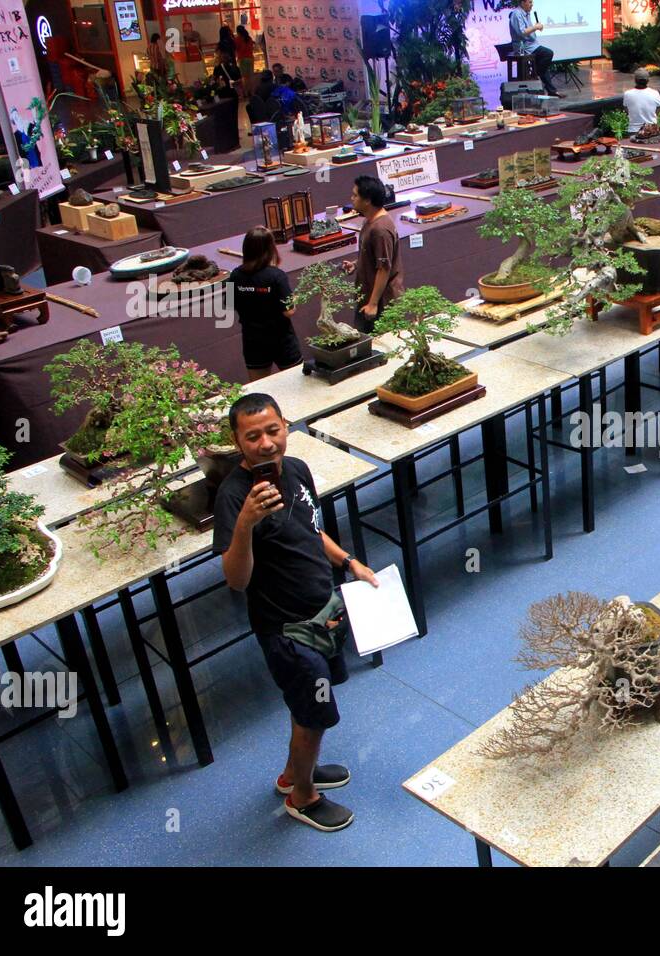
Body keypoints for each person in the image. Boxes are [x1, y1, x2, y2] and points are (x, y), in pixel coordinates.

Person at [214, 393, 378, 833]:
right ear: (237, 441)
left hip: (323, 613)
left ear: (286, 425)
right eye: (253, 437)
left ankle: (294, 772)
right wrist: (246, 523)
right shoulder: (233, 497)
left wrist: (348, 563)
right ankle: (302, 797)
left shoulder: (298, 470)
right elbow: (236, 578)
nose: (266, 444)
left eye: (273, 430)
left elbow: (312, 529)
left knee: (306, 707)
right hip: (286, 631)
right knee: (314, 713)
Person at [230, 227, 302, 381]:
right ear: (270, 248)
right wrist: (295, 298)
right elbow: (288, 311)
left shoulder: (235, 275)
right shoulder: (276, 276)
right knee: (297, 384)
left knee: (259, 388)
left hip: (253, 341)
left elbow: (230, 305)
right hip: (281, 340)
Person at [342, 176, 401, 331]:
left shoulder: (380, 230)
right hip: (367, 297)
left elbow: (384, 268)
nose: (352, 198)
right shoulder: (369, 221)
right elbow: (374, 256)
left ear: (367, 200)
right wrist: (357, 264)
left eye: (355, 195)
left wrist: (373, 304)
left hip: (380, 303)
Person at [509, 0, 564, 98]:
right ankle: (536, 73)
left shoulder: (526, 13)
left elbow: (529, 31)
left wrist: (536, 27)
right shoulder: (516, 14)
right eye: (529, 2)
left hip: (532, 45)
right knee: (548, 53)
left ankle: (551, 90)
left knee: (543, 63)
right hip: (524, 47)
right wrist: (535, 27)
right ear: (522, 2)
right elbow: (522, 32)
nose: (532, 4)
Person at [623, 68, 660, 133]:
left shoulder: (627, 94)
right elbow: (658, 109)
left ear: (635, 80)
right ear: (648, 80)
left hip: (633, 131)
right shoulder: (655, 93)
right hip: (651, 131)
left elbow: (627, 110)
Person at [235, 26, 256, 96]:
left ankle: (246, 93)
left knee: (244, 77)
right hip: (250, 58)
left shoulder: (237, 39)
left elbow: (235, 48)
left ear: (238, 31)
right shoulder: (249, 38)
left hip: (242, 59)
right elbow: (253, 47)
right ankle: (252, 92)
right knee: (251, 77)